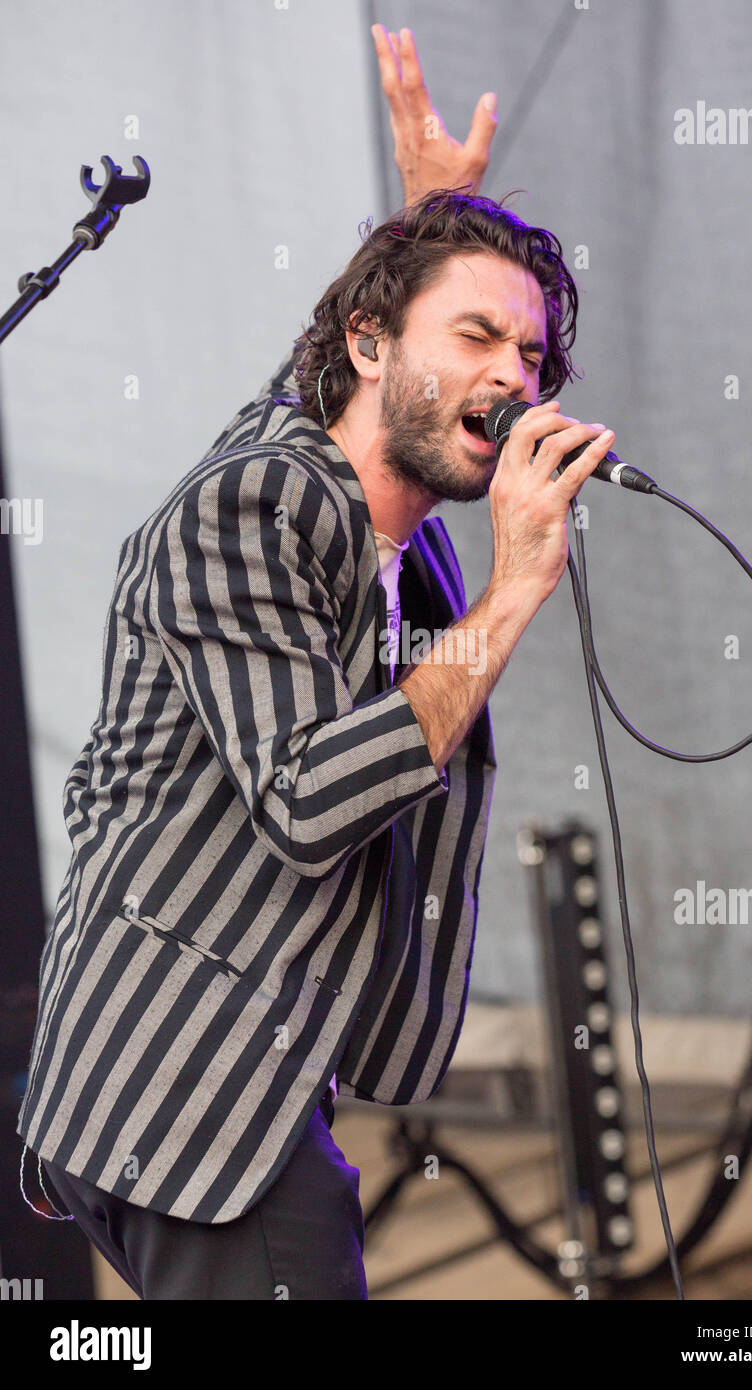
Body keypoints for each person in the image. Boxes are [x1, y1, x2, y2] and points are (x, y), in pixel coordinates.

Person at [16, 26, 614, 1300]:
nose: (517, 381)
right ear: (366, 343)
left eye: (533, 358)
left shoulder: (378, 515)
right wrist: (515, 590)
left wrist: (426, 222)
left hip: (253, 1074)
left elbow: (337, 381)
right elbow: (306, 802)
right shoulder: (248, 508)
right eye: (479, 339)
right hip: (178, 1085)